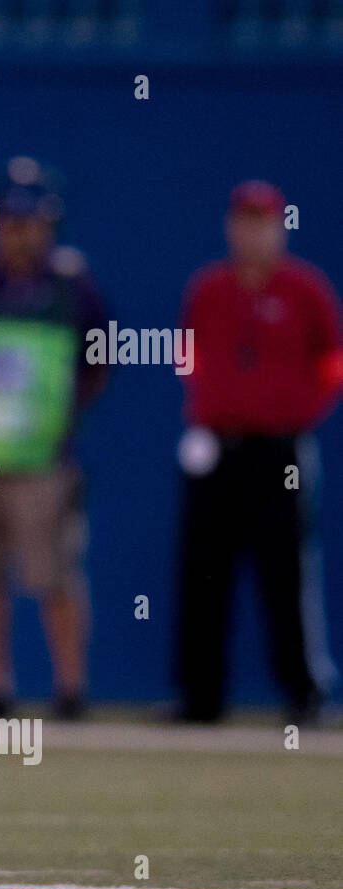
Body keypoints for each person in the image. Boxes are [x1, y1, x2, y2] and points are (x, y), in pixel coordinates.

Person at [0, 157, 109, 720]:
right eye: (10, 220)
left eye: (31, 221)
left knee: (54, 576)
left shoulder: (69, 287)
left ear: (51, 225)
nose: (19, 231)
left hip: (43, 460)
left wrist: (58, 416)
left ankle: (70, 688)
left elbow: (98, 361)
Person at [174, 180, 343, 724]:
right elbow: (188, 355)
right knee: (203, 574)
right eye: (243, 221)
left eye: (263, 221)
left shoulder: (306, 290)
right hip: (216, 451)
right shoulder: (209, 289)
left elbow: (333, 364)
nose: (252, 231)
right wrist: (207, 411)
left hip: (281, 453)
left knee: (287, 573)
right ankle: (201, 698)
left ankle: (303, 694)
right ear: (231, 226)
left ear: (280, 226)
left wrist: (295, 413)